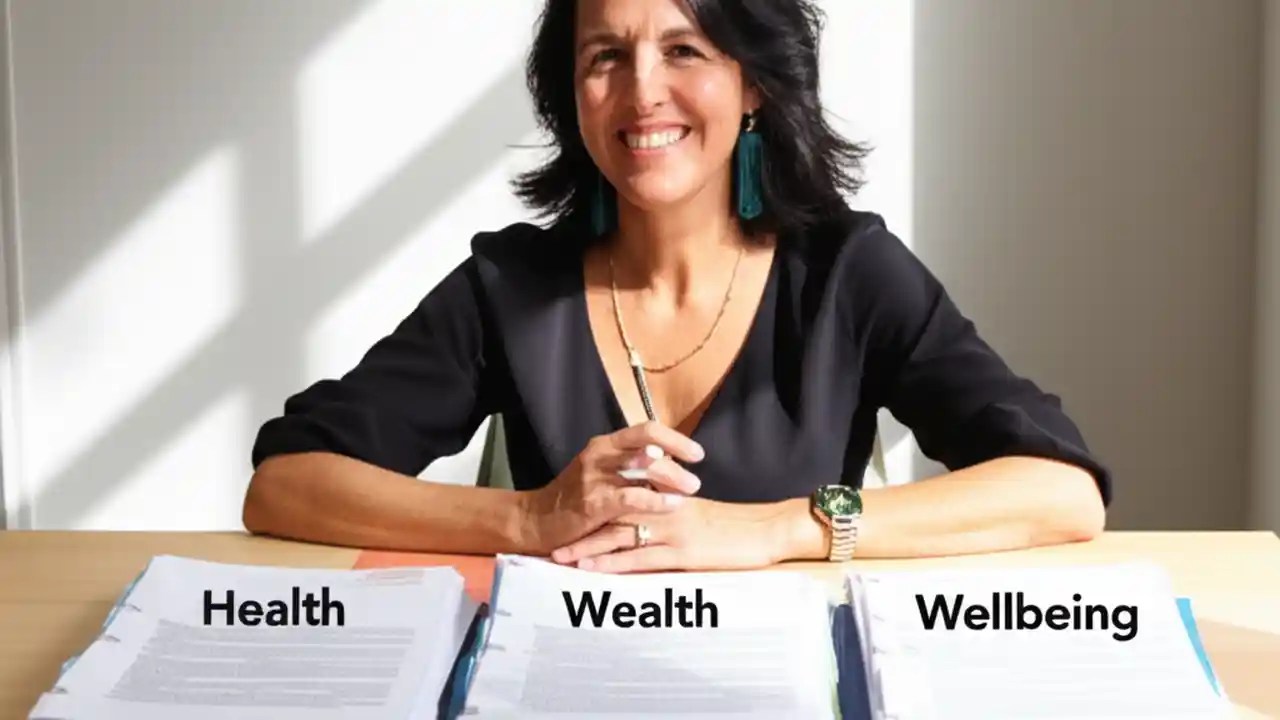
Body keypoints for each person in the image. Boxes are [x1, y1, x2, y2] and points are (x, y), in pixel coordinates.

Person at [243, 0, 1110, 573]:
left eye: (684, 49)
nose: (641, 91)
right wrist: (528, 519)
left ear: (754, 86)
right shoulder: (508, 287)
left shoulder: (849, 274)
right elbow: (285, 483)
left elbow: (1060, 490)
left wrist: (776, 530)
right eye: (605, 55)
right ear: (572, 97)